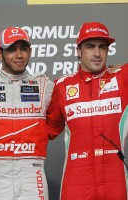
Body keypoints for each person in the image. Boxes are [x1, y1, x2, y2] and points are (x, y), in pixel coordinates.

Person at [0, 26, 54, 199]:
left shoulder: (44, 85)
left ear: (30, 51)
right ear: (0, 53)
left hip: (32, 173)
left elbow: (64, 113)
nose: (19, 55)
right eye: (12, 49)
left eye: (24, 49)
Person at [46, 21, 128, 199]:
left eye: (103, 47)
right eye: (90, 47)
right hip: (77, 183)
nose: (97, 53)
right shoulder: (61, 86)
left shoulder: (122, 79)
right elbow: (48, 130)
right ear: (78, 50)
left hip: (115, 181)